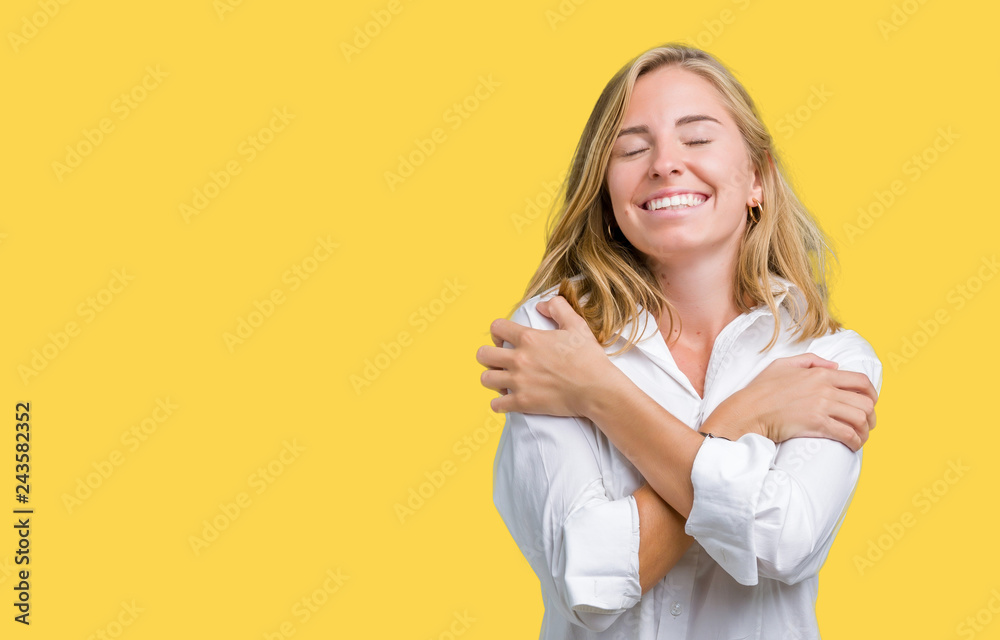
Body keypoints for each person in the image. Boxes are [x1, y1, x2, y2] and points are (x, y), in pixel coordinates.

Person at [476, 43, 883, 639]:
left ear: (757, 179)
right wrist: (739, 420)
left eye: (696, 139)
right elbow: (586, 583)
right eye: (632, 149)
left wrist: (597, 393)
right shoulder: (554, 335)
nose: (664, 164)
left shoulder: (830, 359)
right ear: (609, 196)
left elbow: (779, 542)